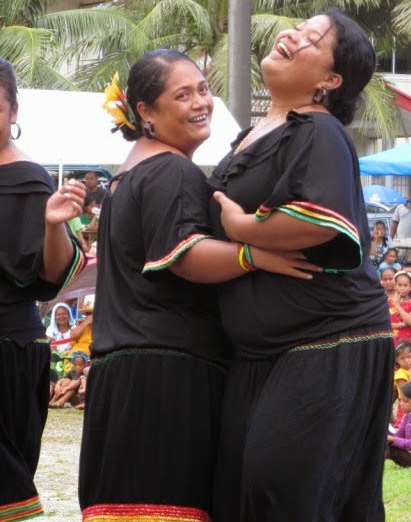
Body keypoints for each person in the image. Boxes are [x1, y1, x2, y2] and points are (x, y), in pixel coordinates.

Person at [79, 51, 316, 519]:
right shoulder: (172, 170)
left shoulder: (125, 178)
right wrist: (257, 254)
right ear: (144, 111)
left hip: (119, 375)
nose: (199, 102)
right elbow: (185, 256)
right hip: (168, 374)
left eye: (203, 88)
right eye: (182, 95)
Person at [209, 11, 392, 521]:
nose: (291, 35)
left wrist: (244, 229)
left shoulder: (321, 132)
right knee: (242, 491)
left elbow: (320, 222)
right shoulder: (252, 134)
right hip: (258, 351)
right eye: (297, 28)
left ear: (329, 82)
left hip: (327, 337)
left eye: (313, 40)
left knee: (284, 487)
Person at [0, 58, 86, 520]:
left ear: (14, 112)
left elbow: (52, 276)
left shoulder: (28, 179)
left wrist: (55, 226)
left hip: (9, 346)